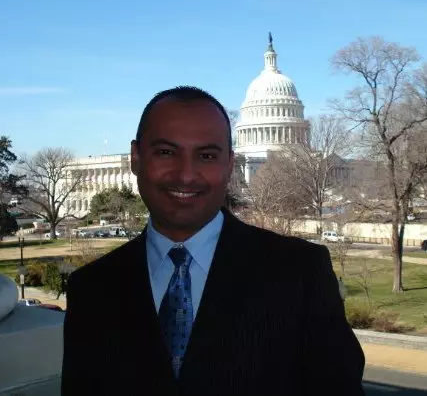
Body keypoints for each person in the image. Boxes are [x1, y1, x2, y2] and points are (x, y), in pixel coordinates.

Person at [61, 86, 365, 396]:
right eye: (166, 152)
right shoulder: (91, 288)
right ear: (136, 158)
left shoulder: (300, 273)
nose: (186, 175)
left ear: (230, 164)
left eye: (206, 156)